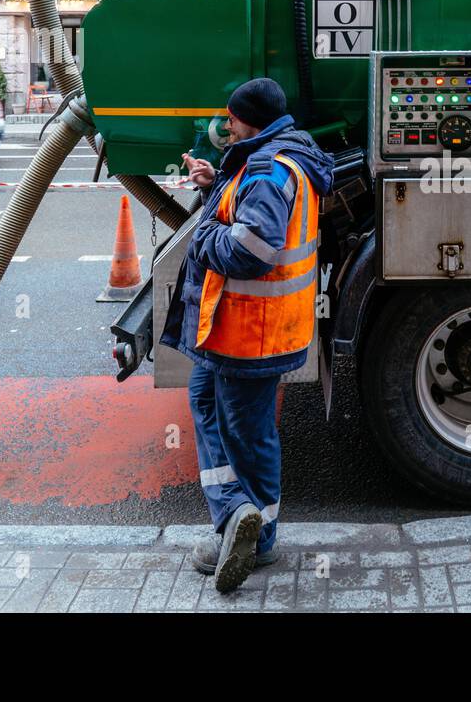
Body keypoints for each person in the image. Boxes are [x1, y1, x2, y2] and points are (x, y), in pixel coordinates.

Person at [160, 77, 333, 593]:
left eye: (231, 118)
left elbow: (250, 250)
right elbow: (249, 212)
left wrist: (206, 230)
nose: (225, 125)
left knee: (248, 433)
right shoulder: (270, 158)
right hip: (234, 331)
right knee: (206, 404)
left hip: (251, 335)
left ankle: (258, 539)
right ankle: (235, 514)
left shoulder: (265, 169)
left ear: (249, 120)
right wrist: (217, 184)